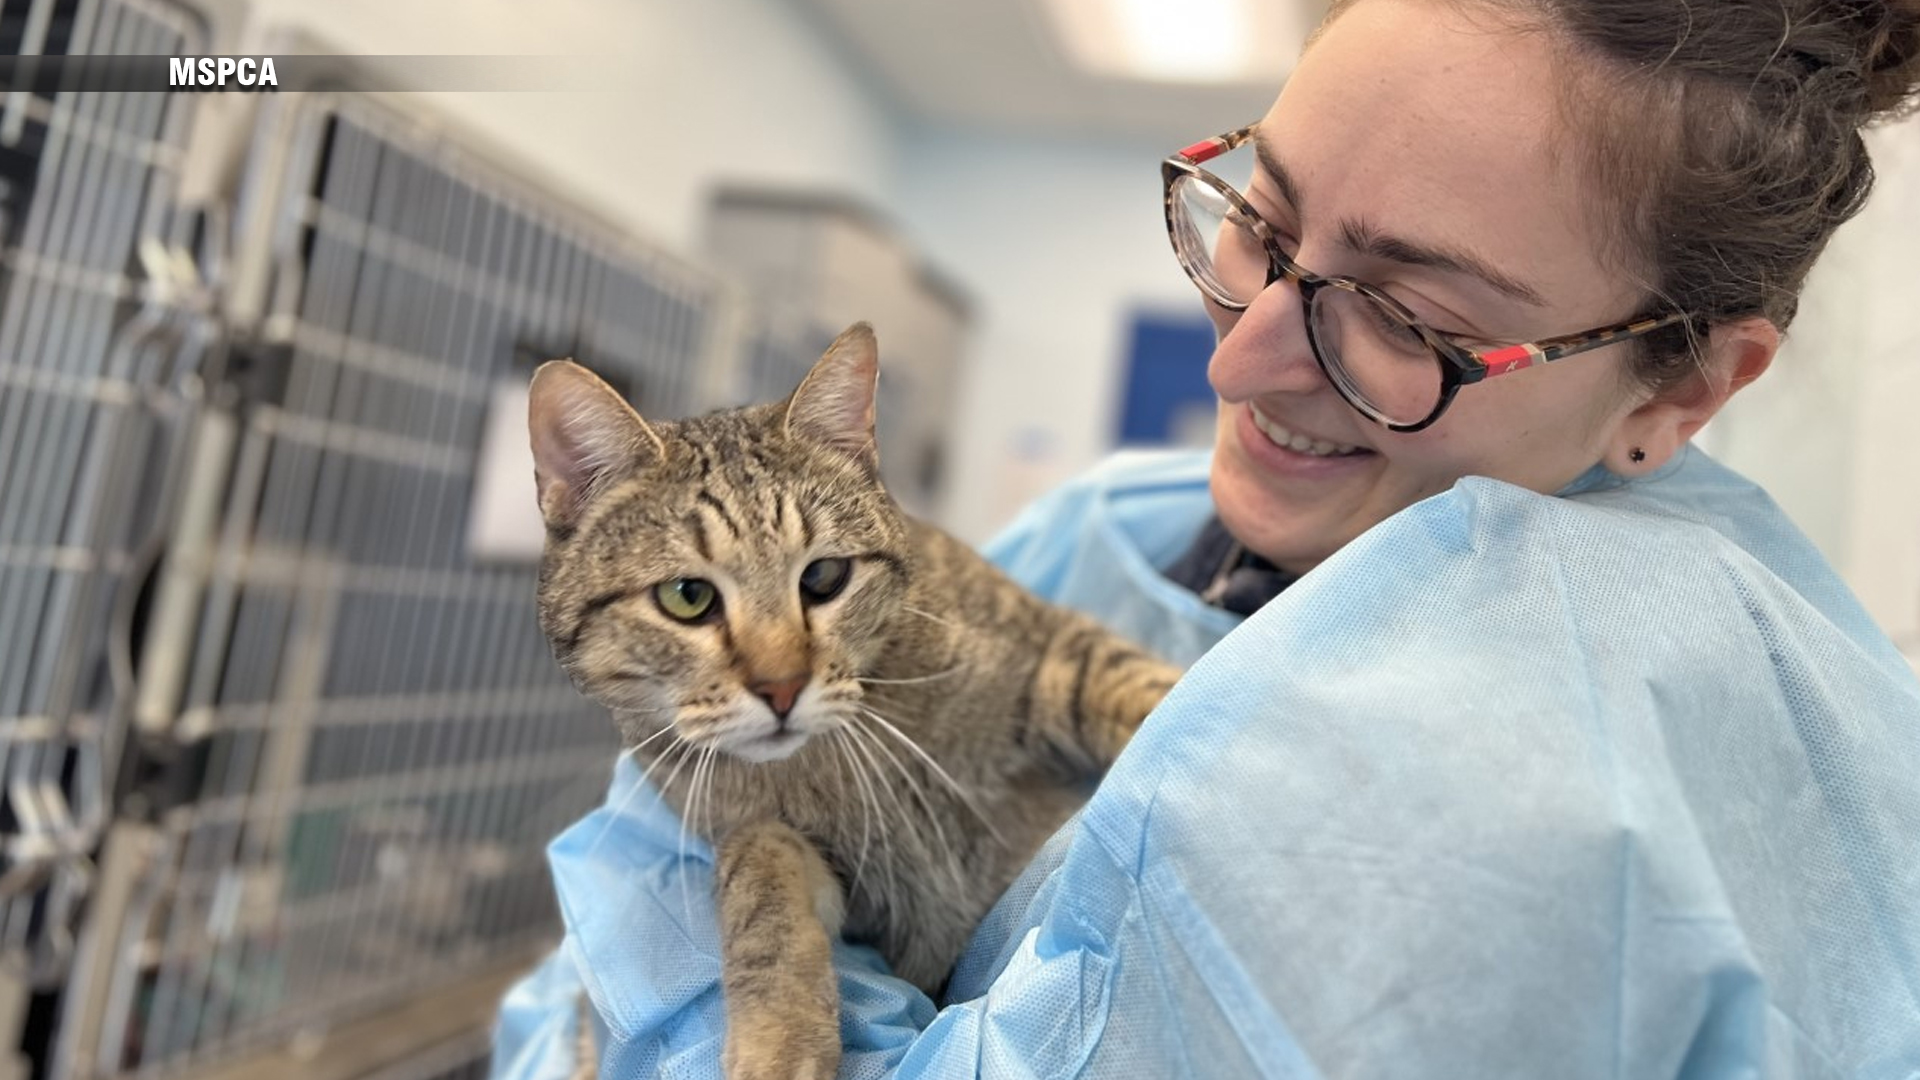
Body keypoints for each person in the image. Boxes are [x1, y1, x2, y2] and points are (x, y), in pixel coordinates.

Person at [493, 0, 1920, 1075]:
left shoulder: (1549, 791)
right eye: (1260, 220)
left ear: (1680, 388)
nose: (1232, 372)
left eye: (1414, 322)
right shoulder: (1139, 528)